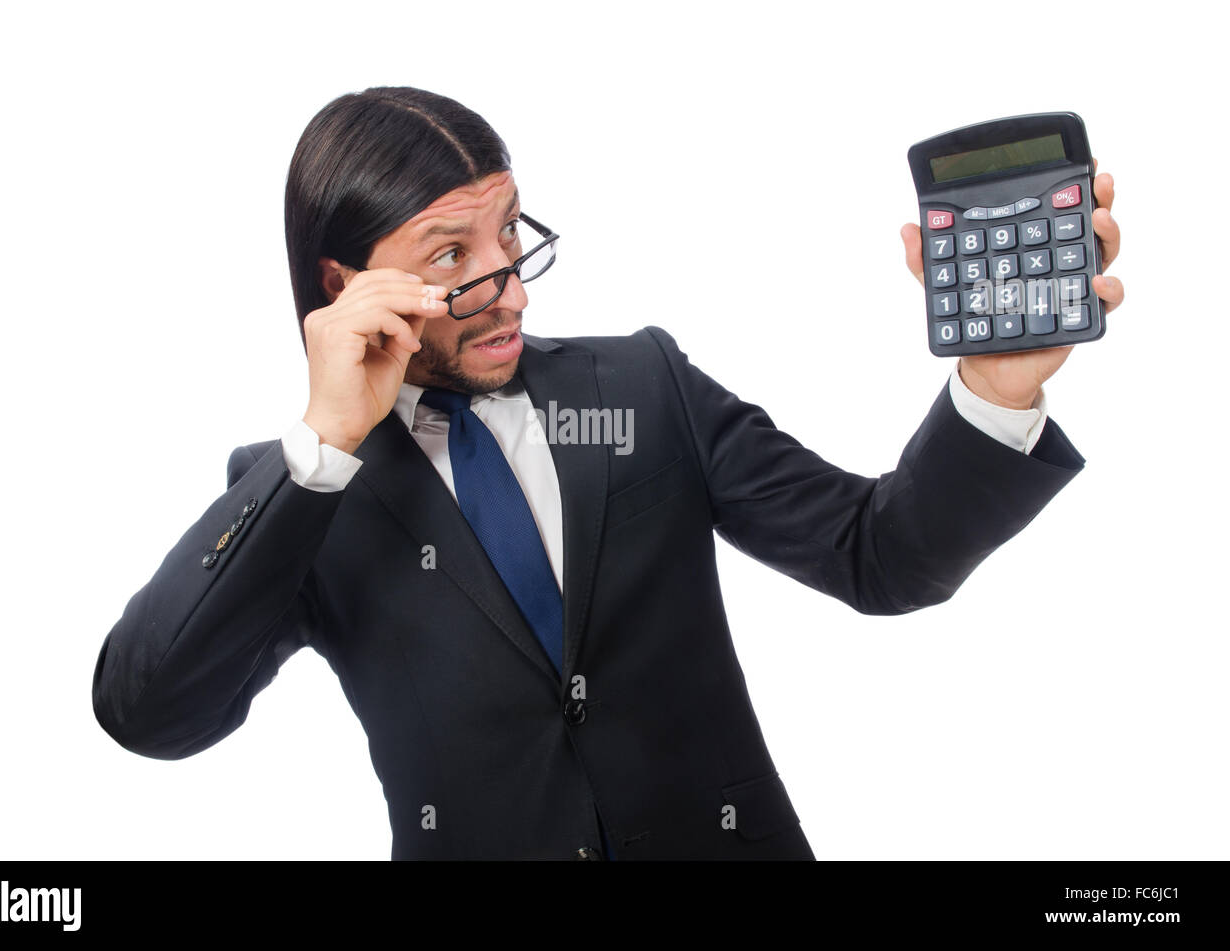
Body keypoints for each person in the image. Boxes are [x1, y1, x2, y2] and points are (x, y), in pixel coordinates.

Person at [91, 86, 1125, 860]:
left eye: (509, 234)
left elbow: (880, 558)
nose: (507, 292)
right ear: (343, 284)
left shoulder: (643, 385)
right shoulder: (305, 491)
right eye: (451, 257)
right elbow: (149, 713)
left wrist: (996, 387)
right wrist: (317, 449)